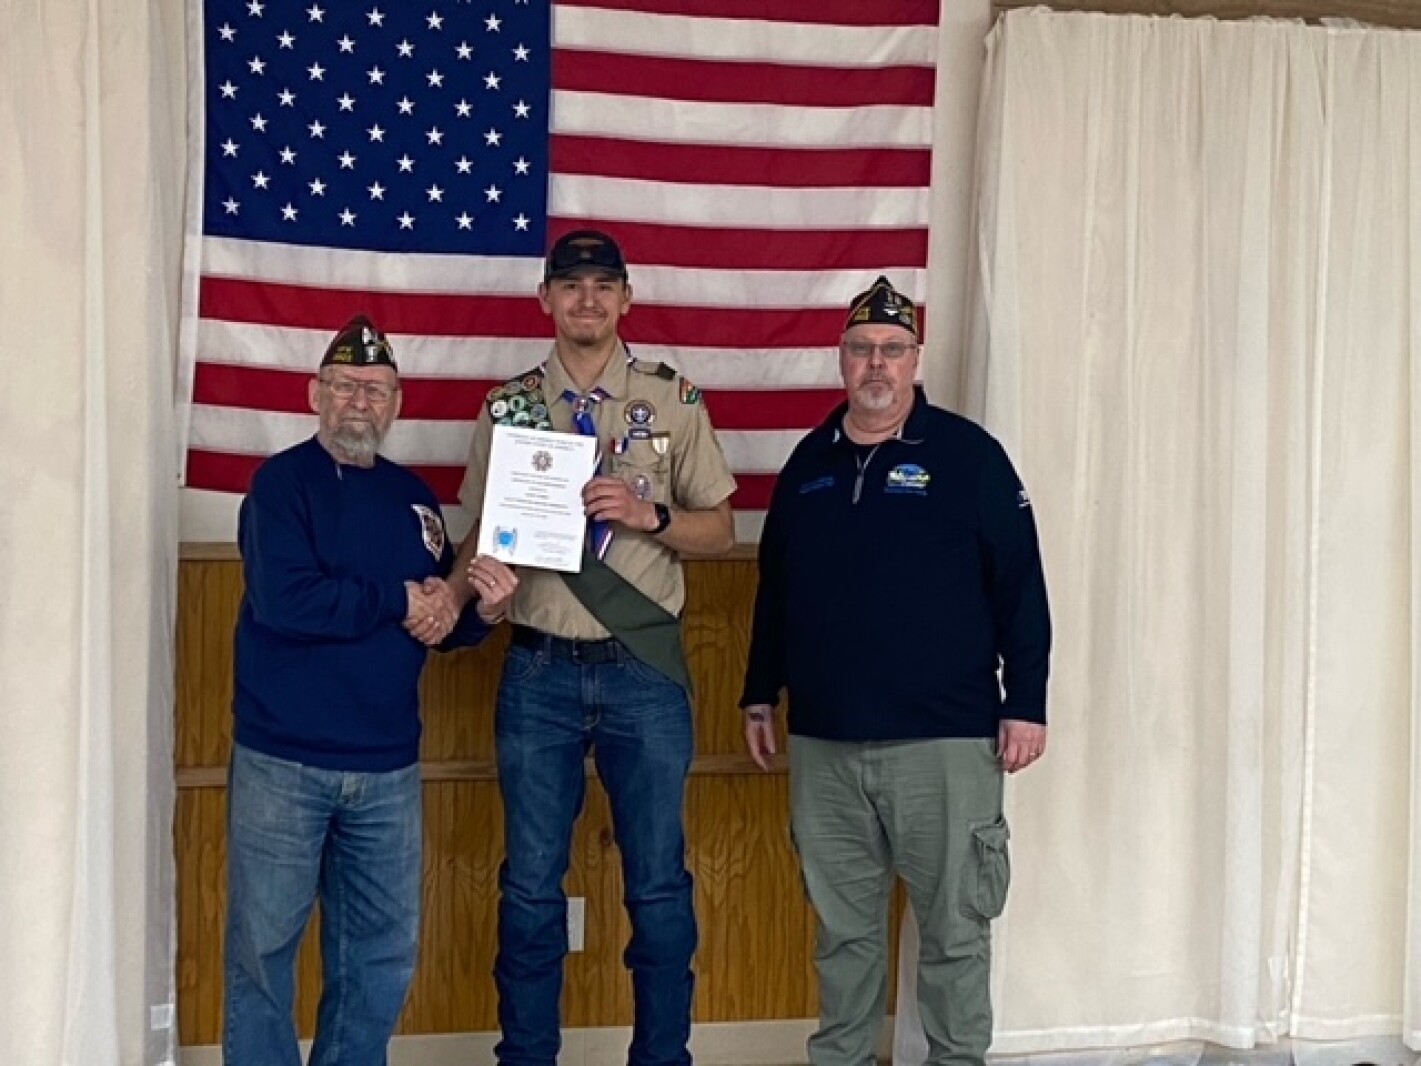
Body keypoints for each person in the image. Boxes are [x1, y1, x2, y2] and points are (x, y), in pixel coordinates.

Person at [739, 277, 1051, 1066]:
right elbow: (776, 589)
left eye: (892, 349)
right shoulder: (809, 463)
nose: (875, 364)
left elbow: (1021, 585)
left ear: (915, 360)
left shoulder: (967, 456)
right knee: (842, 936)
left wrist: (1027, 702)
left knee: (952, 931)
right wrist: (755, 692)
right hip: (825, 744)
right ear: (840, 360)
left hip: (943, 741)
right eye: (860, 349)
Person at [450, 229, 738, 1066]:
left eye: (601, 285)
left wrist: (650, 516)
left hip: (641, 668)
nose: (586, 299)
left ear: (626, 298)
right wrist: (468, 595)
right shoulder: (506, 407)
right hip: (537, 665)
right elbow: (475, 540)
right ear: (545, 299)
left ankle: (660, 1057)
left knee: (656, 884)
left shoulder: (672, 398)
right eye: (569, 285)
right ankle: (527, 1056)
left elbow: (720, 529)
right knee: (530, 888)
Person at [223, 314, 519, 1066]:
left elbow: (437, 620)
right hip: (283, 763)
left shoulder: (414, 500)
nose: (361, 402)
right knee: (263, 952)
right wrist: (398, 599)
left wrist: (481, 609)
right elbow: (288, 602)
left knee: (379, 955)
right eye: (347, 387)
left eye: (377, 390)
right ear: (315, 394)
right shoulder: (280, 485)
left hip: (388, 768)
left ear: (397, 404)